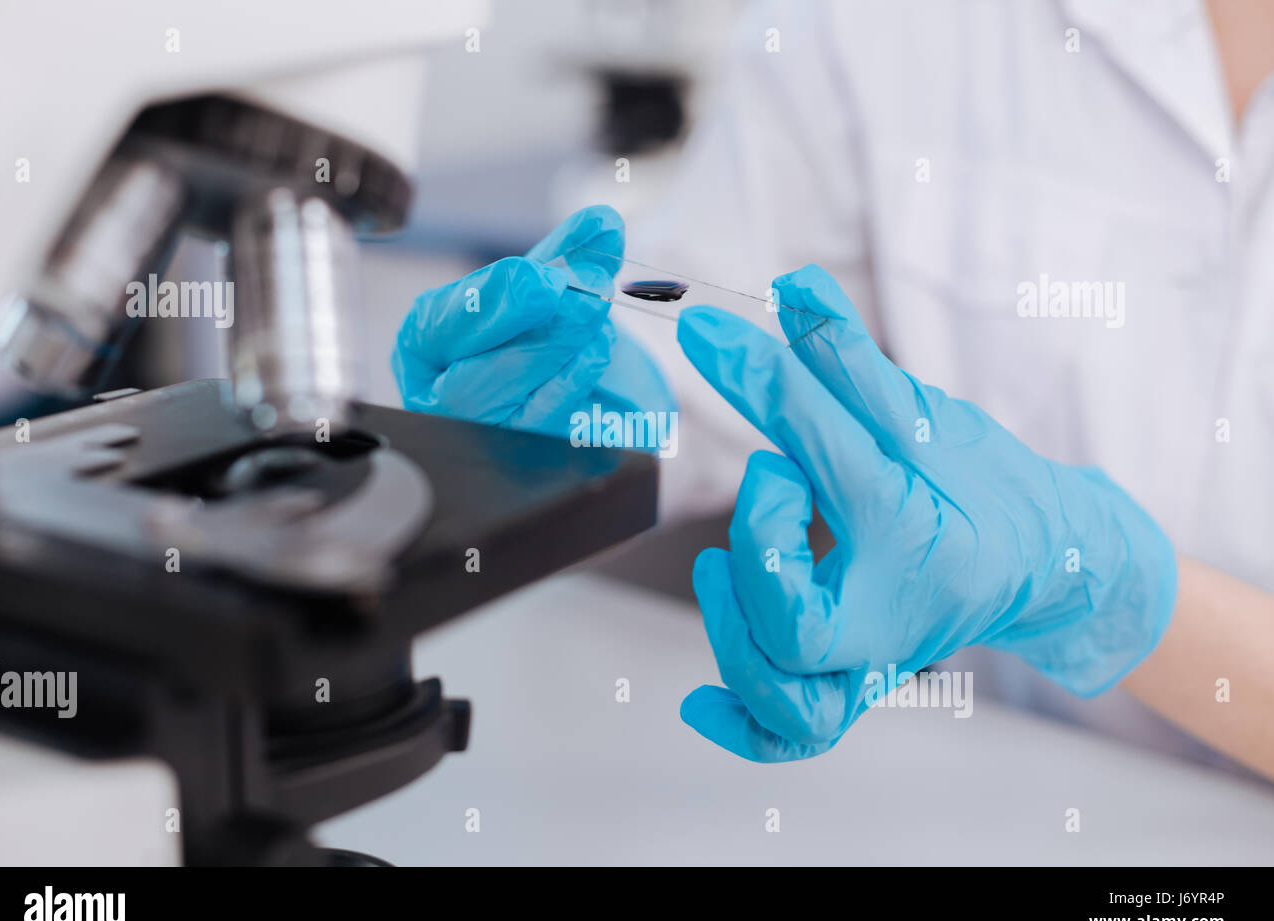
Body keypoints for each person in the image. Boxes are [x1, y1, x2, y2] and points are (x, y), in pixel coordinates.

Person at [392, 1, 1274, 777]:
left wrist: (1106, 577)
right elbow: (714, 328)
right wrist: (584, 408)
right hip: (1020, 797)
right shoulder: (891, 22)